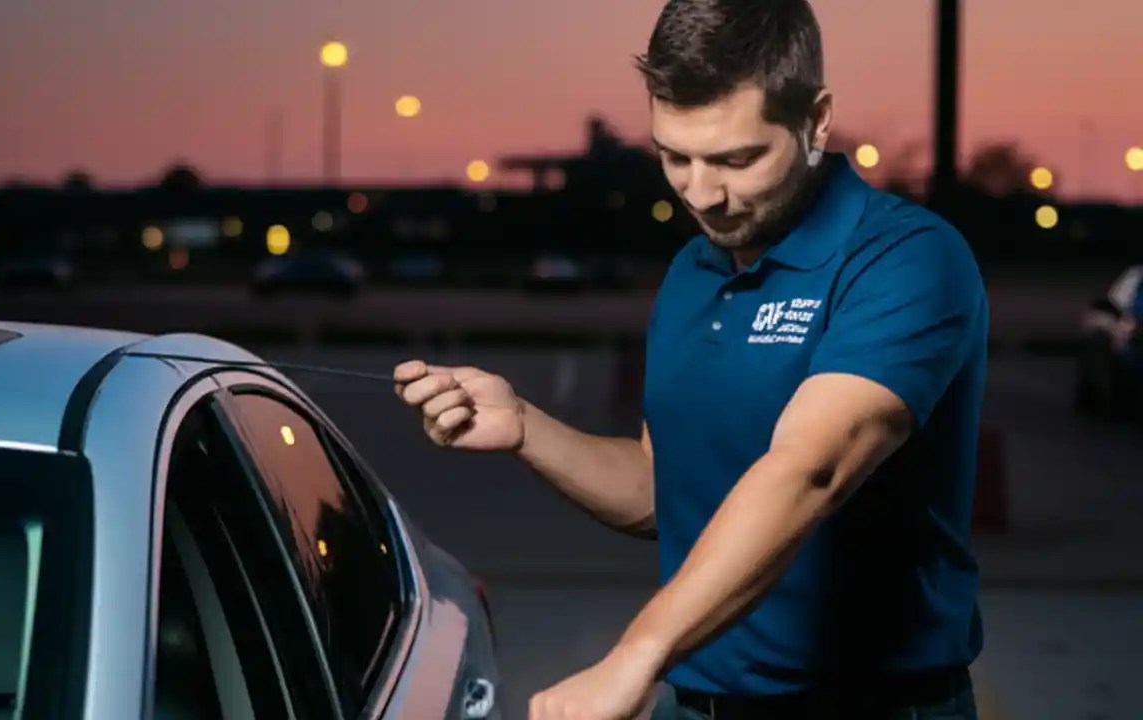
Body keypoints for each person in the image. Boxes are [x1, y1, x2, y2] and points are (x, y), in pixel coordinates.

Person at [394, 0, 988, 717]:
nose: (702, 194)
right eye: (675, 157)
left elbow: (812, 467)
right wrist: (524, 425)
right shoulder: (692, 273)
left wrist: (635, 654)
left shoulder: (906, 257)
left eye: (737, 158)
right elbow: (658, 490)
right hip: (696, 701)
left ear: (816, 121)